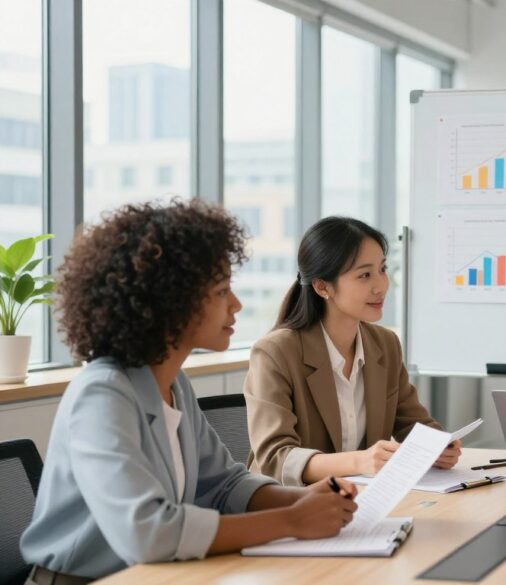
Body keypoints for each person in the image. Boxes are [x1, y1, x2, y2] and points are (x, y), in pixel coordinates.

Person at [20, 200, 358, 583]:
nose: (236, 305)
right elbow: (147, 532)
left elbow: (224, 484)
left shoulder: (172, 383)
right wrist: (291, 521)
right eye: (221, 291)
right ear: (170, 302)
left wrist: (309, 499)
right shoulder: (101, 395)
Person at [245, 216, 459, 486]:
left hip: (359, 500)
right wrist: (359, 461)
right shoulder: (275, 352)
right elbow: (275, 458)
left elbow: (412, 423)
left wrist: (438, 447)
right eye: (365, 275)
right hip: (288, 505)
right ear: (323, 286)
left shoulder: (385, 344)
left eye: (383, 269)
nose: (381, 285)